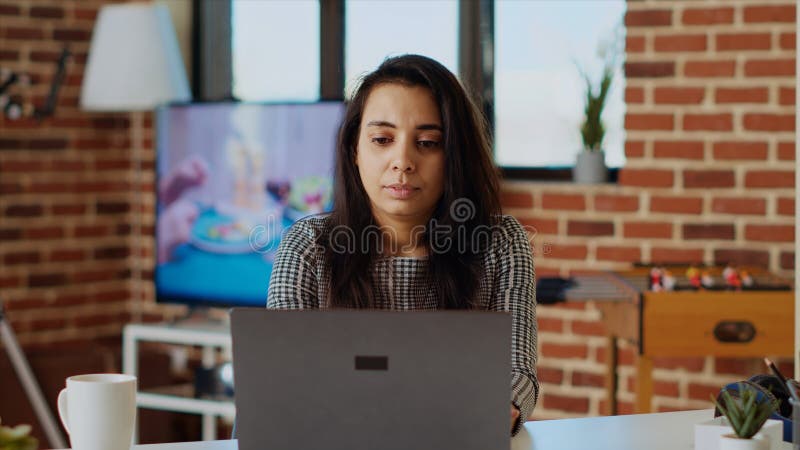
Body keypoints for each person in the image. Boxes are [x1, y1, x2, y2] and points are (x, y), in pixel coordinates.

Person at [266, 54, 538, 435]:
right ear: (354, 149)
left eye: (427, 142)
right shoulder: (307, 245)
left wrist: (500, 405)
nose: (403, 161)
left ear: (454, 154)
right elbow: (282, 382)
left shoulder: (502, 243)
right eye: (382, 140)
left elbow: (516, 373)